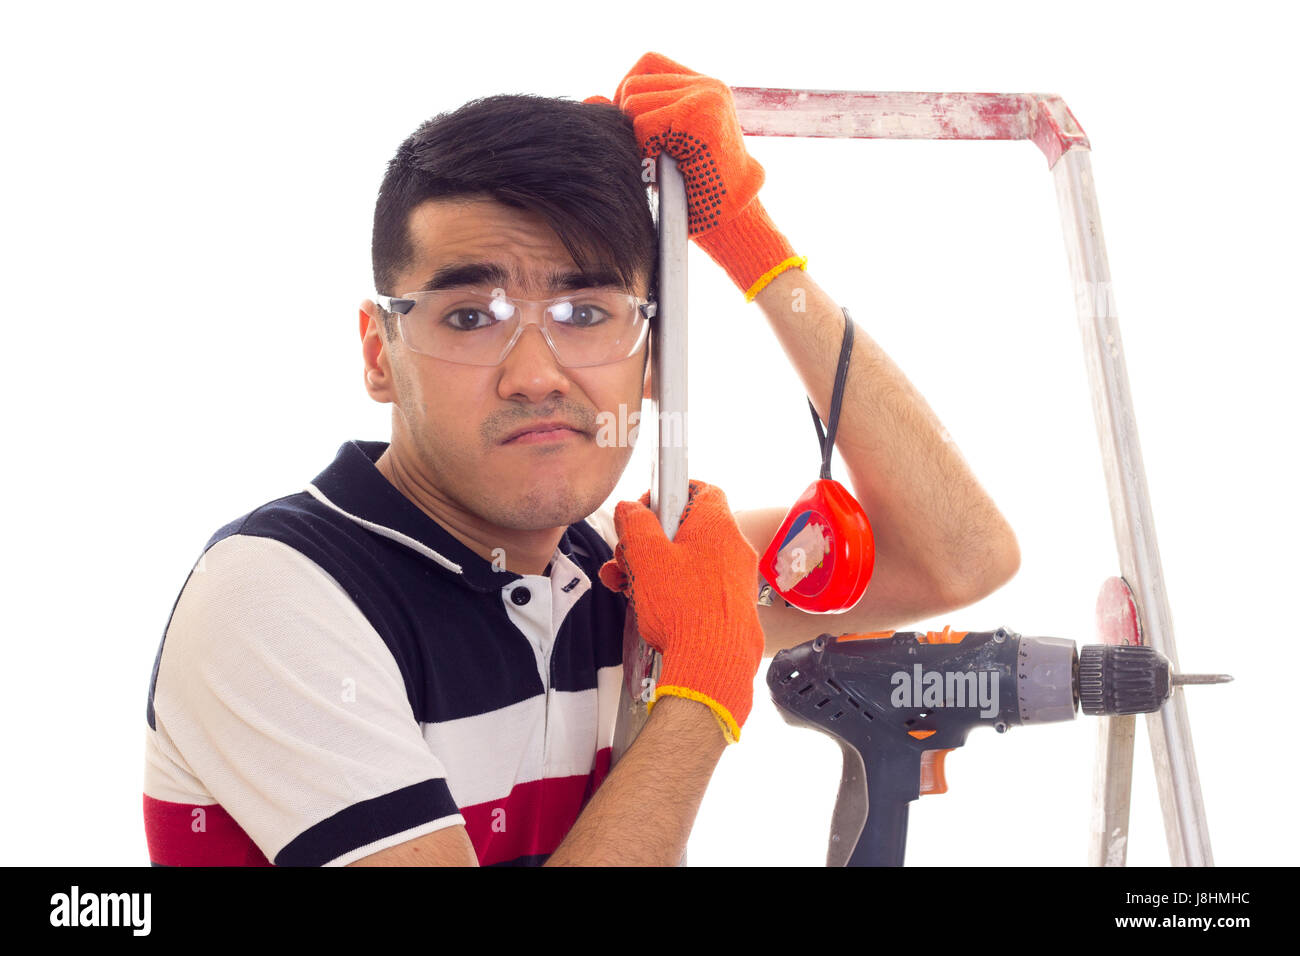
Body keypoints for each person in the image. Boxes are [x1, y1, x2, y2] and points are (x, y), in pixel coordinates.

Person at [141, 53, 1020, 867]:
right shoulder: (281, 595)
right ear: (379, 353)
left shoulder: (612, 574)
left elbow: (953, 555)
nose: (534, 376)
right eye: (470, 317)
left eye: (585, 314)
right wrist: (700, 695)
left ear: (654, 358)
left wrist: (749, 243)